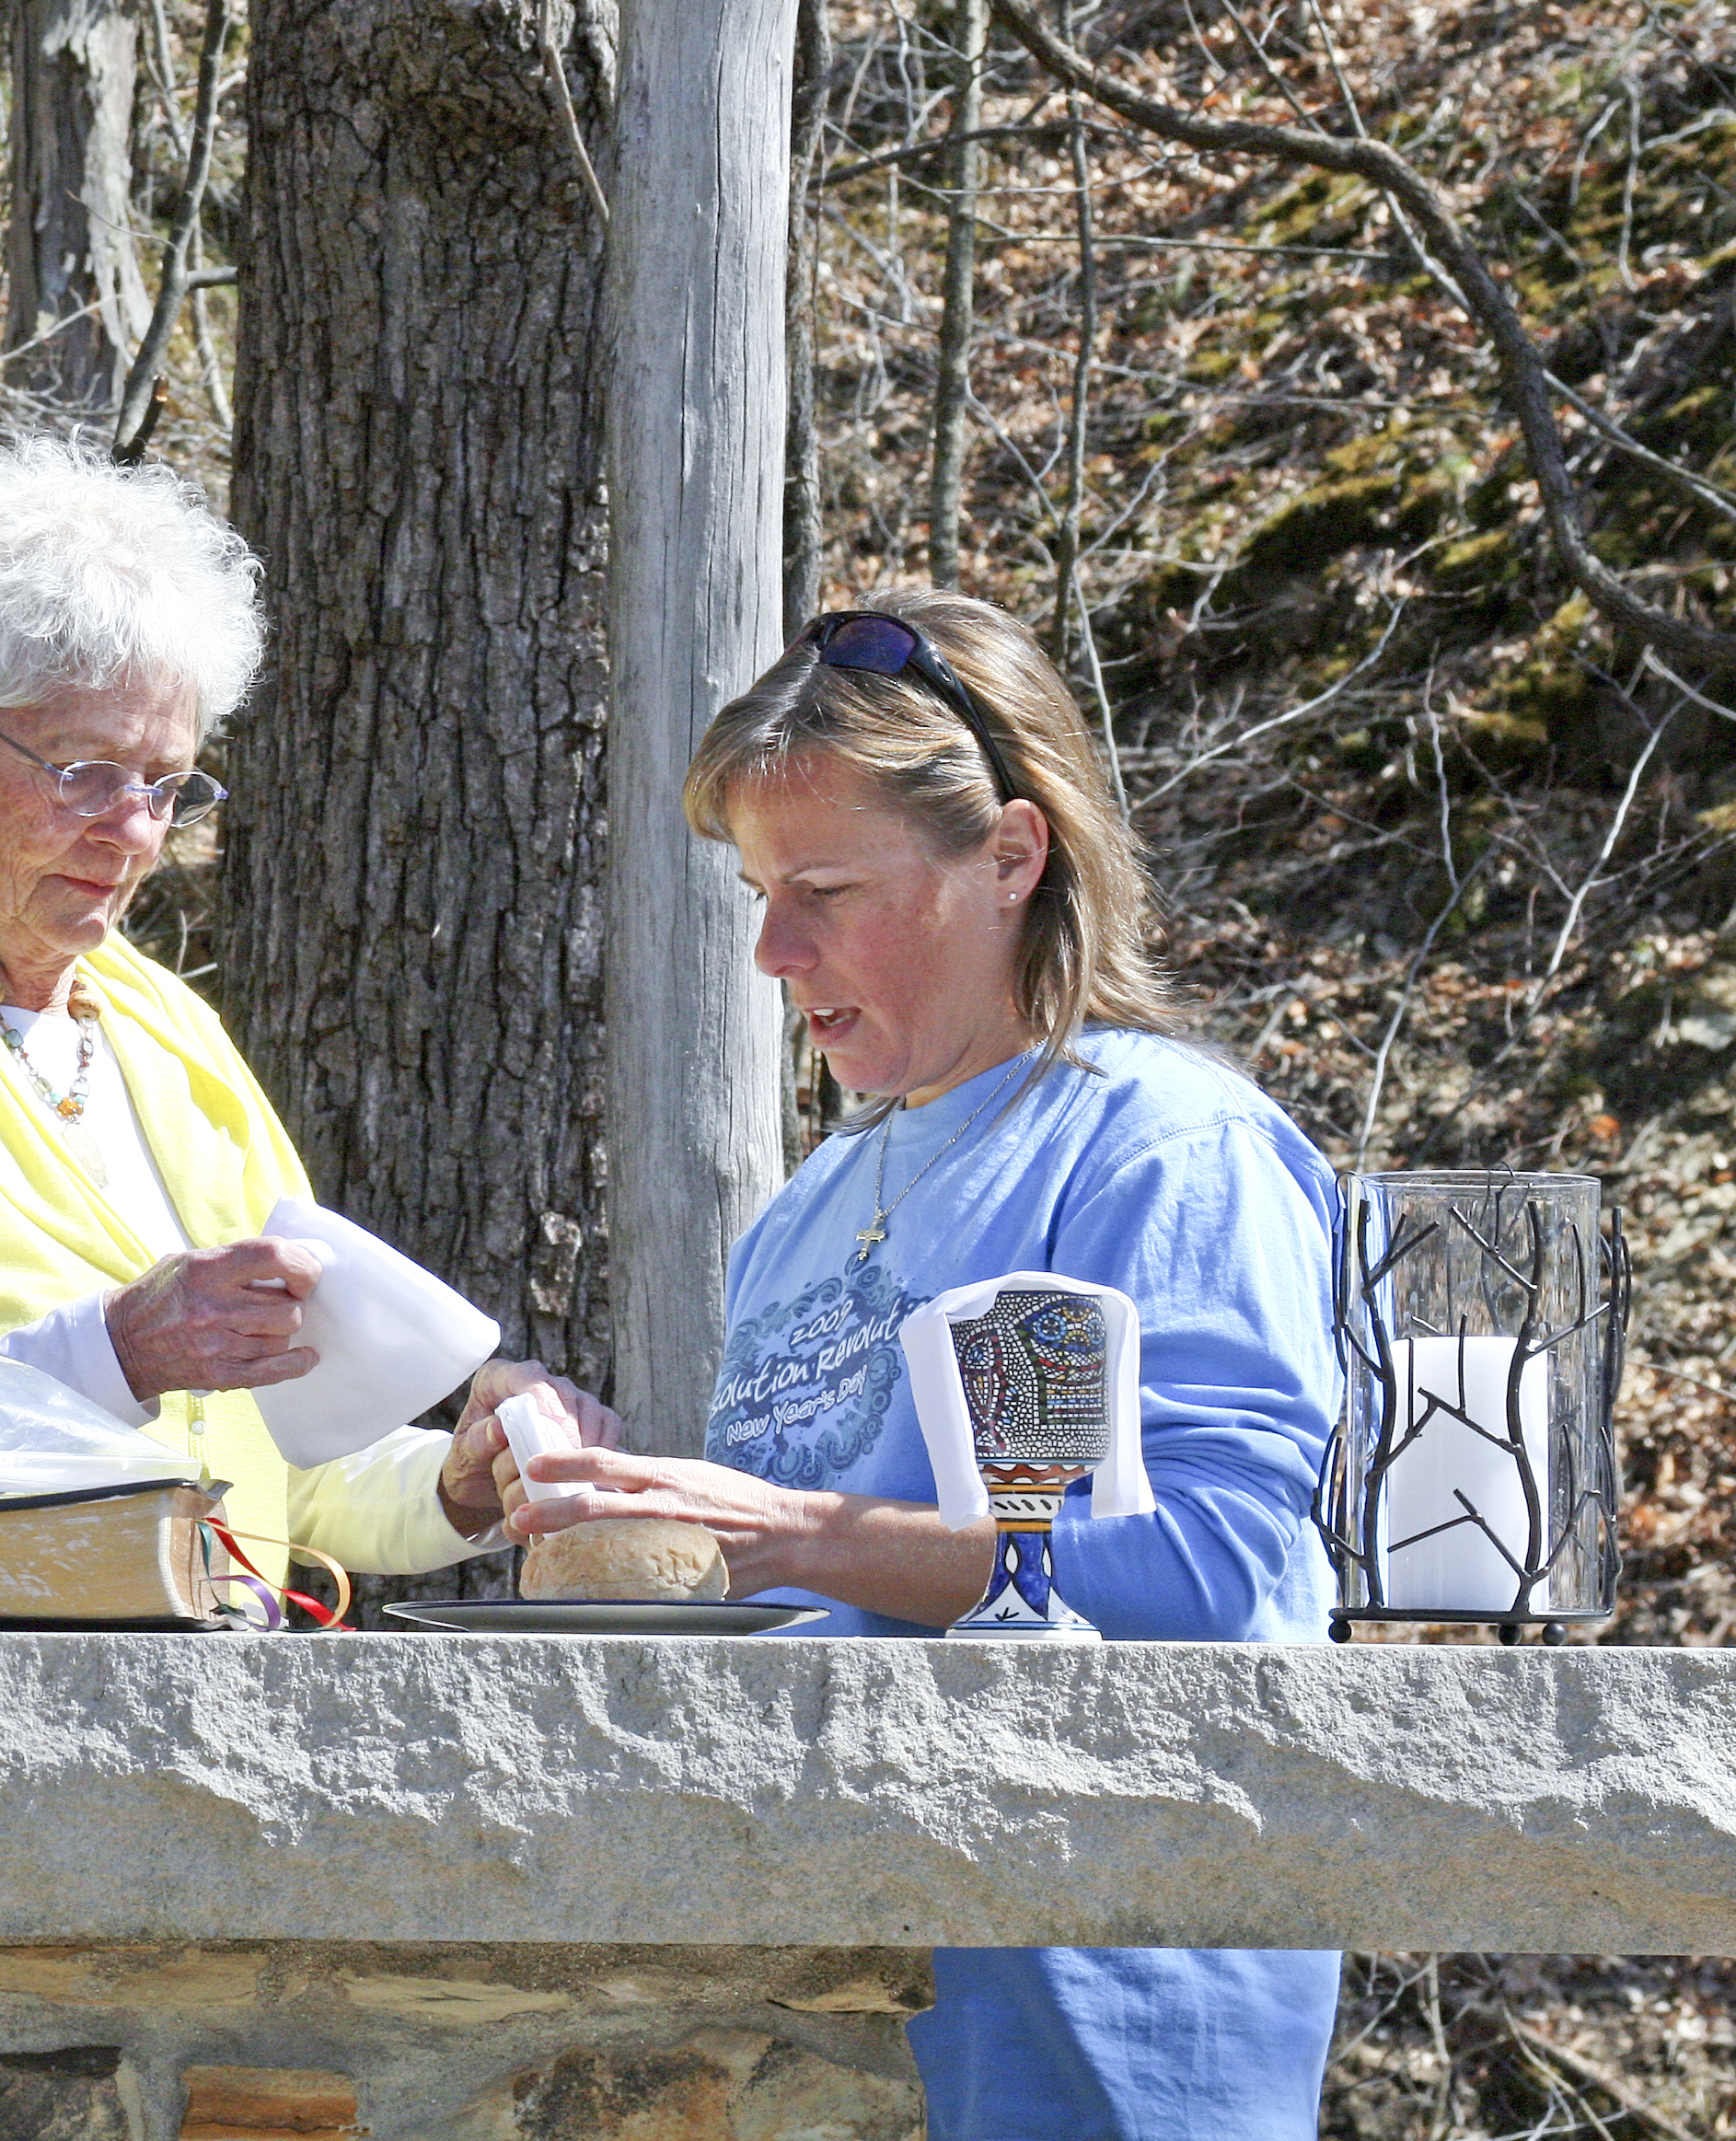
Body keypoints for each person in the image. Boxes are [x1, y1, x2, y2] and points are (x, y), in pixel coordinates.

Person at [0, 437, 610, 2140]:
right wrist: (109, 1348)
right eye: (86, 771)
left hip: (182, 1808)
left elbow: (285, 1470)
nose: (136, 835)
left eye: (171, 785)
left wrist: (461, 1490)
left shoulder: (172, 1035)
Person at [504, 591, 1341, 2140]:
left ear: (1012, 857)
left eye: (824, 890)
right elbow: (813, 1602)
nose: (774, 949)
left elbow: (1206, 1574)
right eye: (761, 893)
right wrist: (602, 1498)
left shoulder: (1165, 1145)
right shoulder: (806, 1209)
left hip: (1096, 2028)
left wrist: (790, 1531)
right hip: (810, 2030)